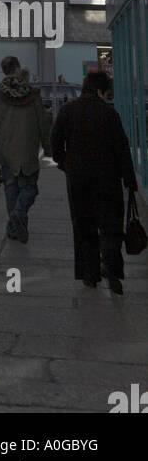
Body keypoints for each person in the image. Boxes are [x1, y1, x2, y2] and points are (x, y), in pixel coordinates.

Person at [51, 70, 138, 294]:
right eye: (107, 93)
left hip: (78, 179)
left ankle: (90, 274)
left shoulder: (68, 111)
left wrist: (64, 163)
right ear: (100, 91)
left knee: (84, 226)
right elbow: (122, 149)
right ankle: (110, 262)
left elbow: (55, 142)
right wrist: (130, 180)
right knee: (110, 225)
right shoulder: (109, 114)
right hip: (108, 179)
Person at [0, 55, 52, 243]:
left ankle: (14, 228)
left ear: (4, 71)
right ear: (18, 69)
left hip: (6, 152)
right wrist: (48, 147)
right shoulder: (32, 94)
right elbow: (43, 123)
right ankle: (18, 217)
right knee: (30, 189)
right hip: (28, 150)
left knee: (11, 190)